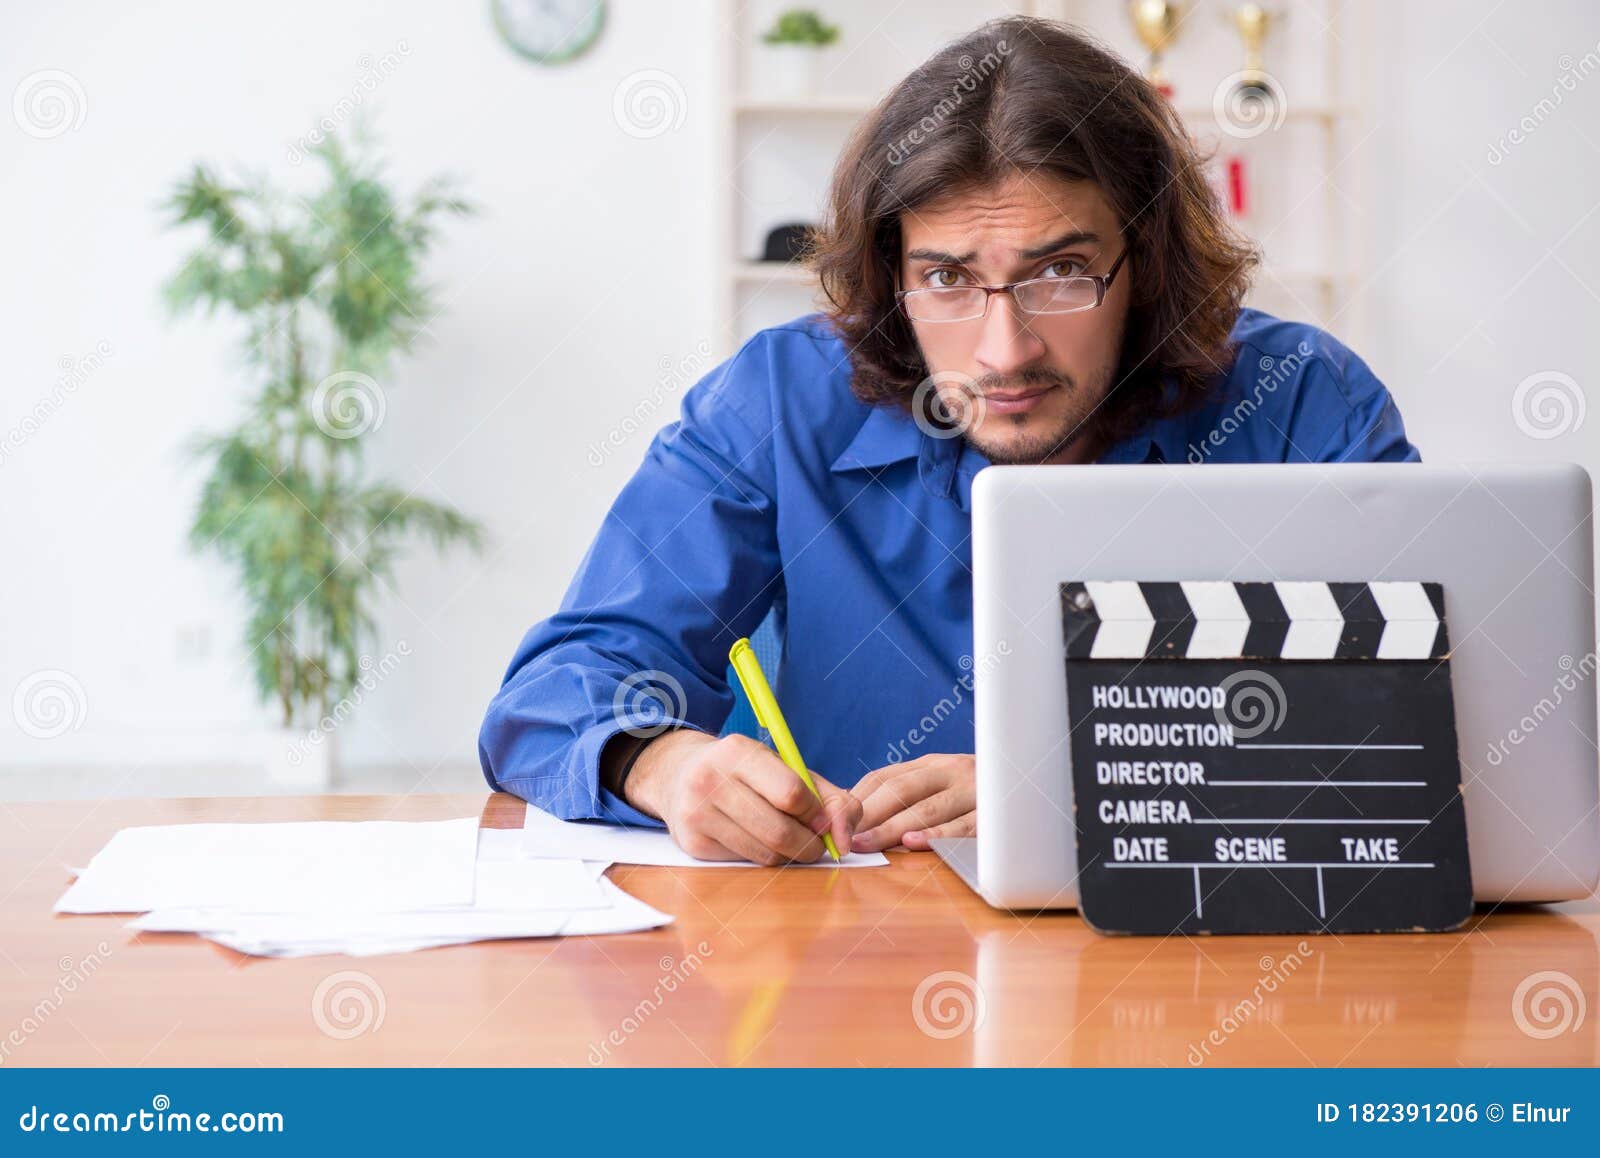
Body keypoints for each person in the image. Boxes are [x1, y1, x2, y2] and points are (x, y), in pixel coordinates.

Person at [477, 16, 1419, 866]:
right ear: (890, 272)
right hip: (856, 987)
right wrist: (662, 764)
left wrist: (1061, 792)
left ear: (1148, 257)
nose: (1004, 351)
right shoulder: (779, 401)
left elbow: (1434, 725)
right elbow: (555, 691)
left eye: (1061, 272)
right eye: (946, 279)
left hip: (1224, 981)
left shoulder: (1299, 402)